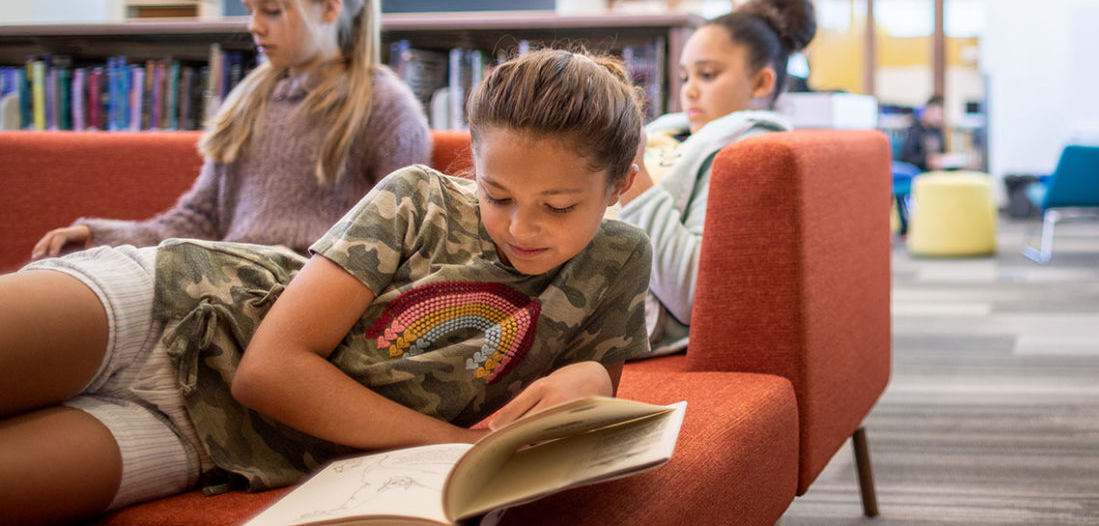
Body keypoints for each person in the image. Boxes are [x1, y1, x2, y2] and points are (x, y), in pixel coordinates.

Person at [0, 49, 653, 524]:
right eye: (496, 193)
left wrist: (593, 378)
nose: (522, 226)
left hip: (208, 440)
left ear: (620, 185)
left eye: (560, 206)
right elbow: (270, 368)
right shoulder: (416, 199)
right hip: (172, 300)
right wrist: (460, 447)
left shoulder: (621, 258)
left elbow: (597, 378)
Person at [31, 0, 431, 259]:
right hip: (224, 273)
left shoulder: (383, 104)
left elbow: (402, 238)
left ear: (329, 8)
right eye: (251, 10)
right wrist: (100, 234)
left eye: (272, 11)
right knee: (88, 273)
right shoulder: (250, 97)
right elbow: (198, 220)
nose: (253, 26)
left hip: (302, 288)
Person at [614, 0, 816, 354]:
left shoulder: (743, 153)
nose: (689, 91)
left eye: (707, 75)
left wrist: (632, 171)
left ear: (761, 82)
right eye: (686, 77)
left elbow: (693, 295)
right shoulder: (675, 131)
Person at [897, 96, 948, 172]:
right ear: (928, 111)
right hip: (919, 172)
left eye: (941, 115)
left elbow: (942, 153)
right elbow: (906, 158)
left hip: (937, 173)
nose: (939, 118)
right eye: (938, 114)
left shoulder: (938, 131)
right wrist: (927, 161)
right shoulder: (914, 131)